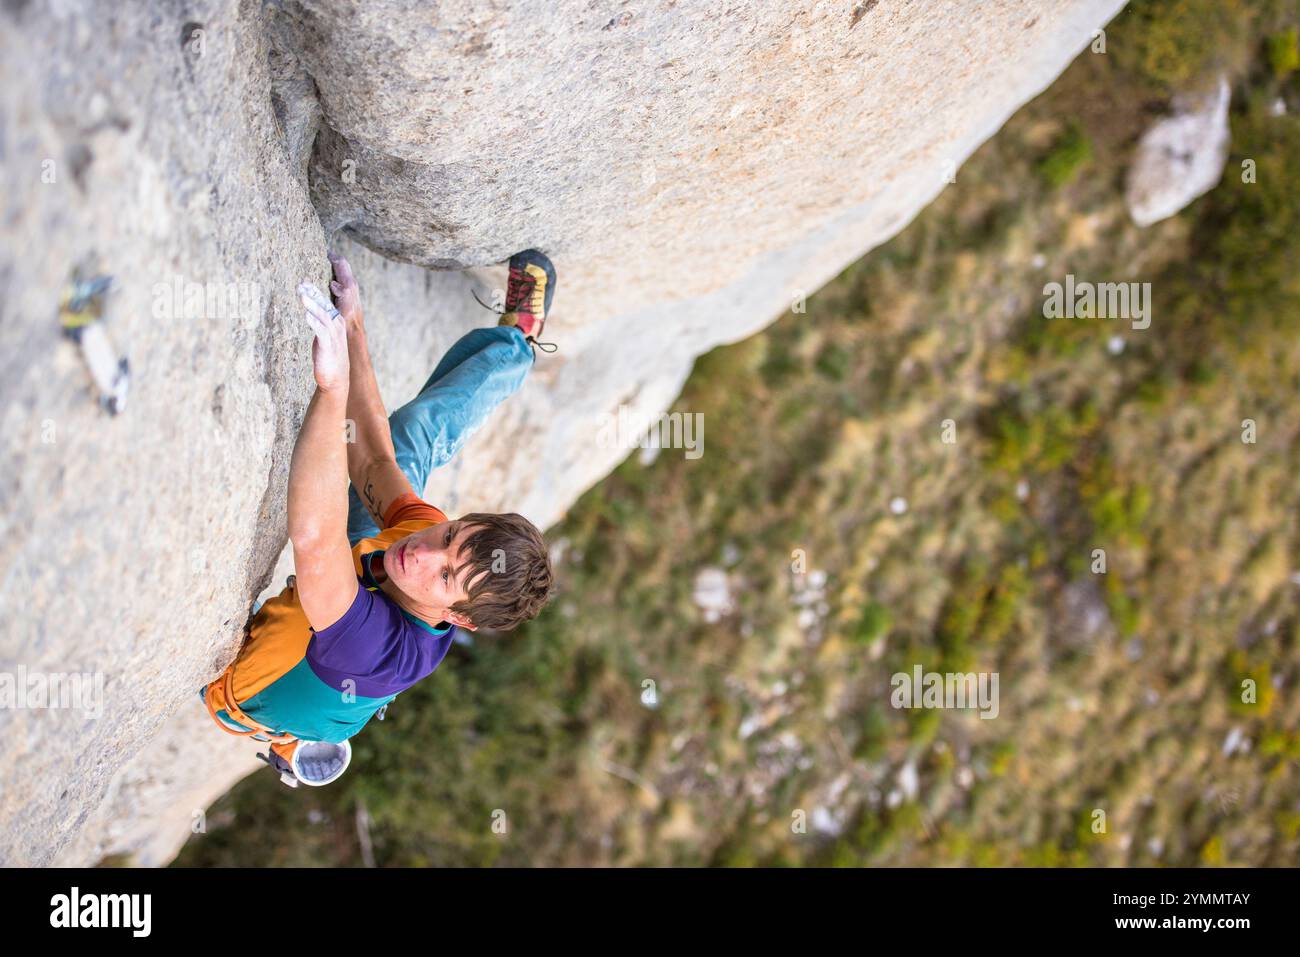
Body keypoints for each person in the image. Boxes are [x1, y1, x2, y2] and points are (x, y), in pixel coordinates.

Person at [199, 250, 558, 786]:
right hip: (364, 590)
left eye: (446, 575)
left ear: (458, 619)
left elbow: (314, 535)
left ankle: (293, 745)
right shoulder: (423, 548)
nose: (424, 551)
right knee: (411, 439)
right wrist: (352, 329)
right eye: (452, 534)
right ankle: (515, 345)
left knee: (332, 596)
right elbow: (373, 458)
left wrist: (332, 389)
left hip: (262, 684)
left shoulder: (375, 650)